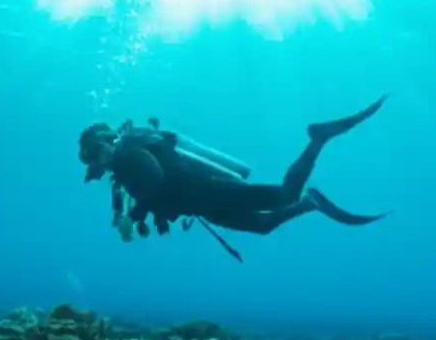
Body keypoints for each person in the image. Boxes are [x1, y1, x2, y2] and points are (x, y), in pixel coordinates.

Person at [78, 96, 391, 247]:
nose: (95, 161)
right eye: (90, 158)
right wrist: (129, 215)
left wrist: (136, 216)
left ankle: (317, 138)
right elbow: (141, 189)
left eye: (94, 153)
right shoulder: (121, 165)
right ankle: (310, 202)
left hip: (205, 189)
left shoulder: (128, 151)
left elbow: (157, 179)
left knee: (284, 195)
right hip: (201, 203)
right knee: (263, 225)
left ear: (104, 143)